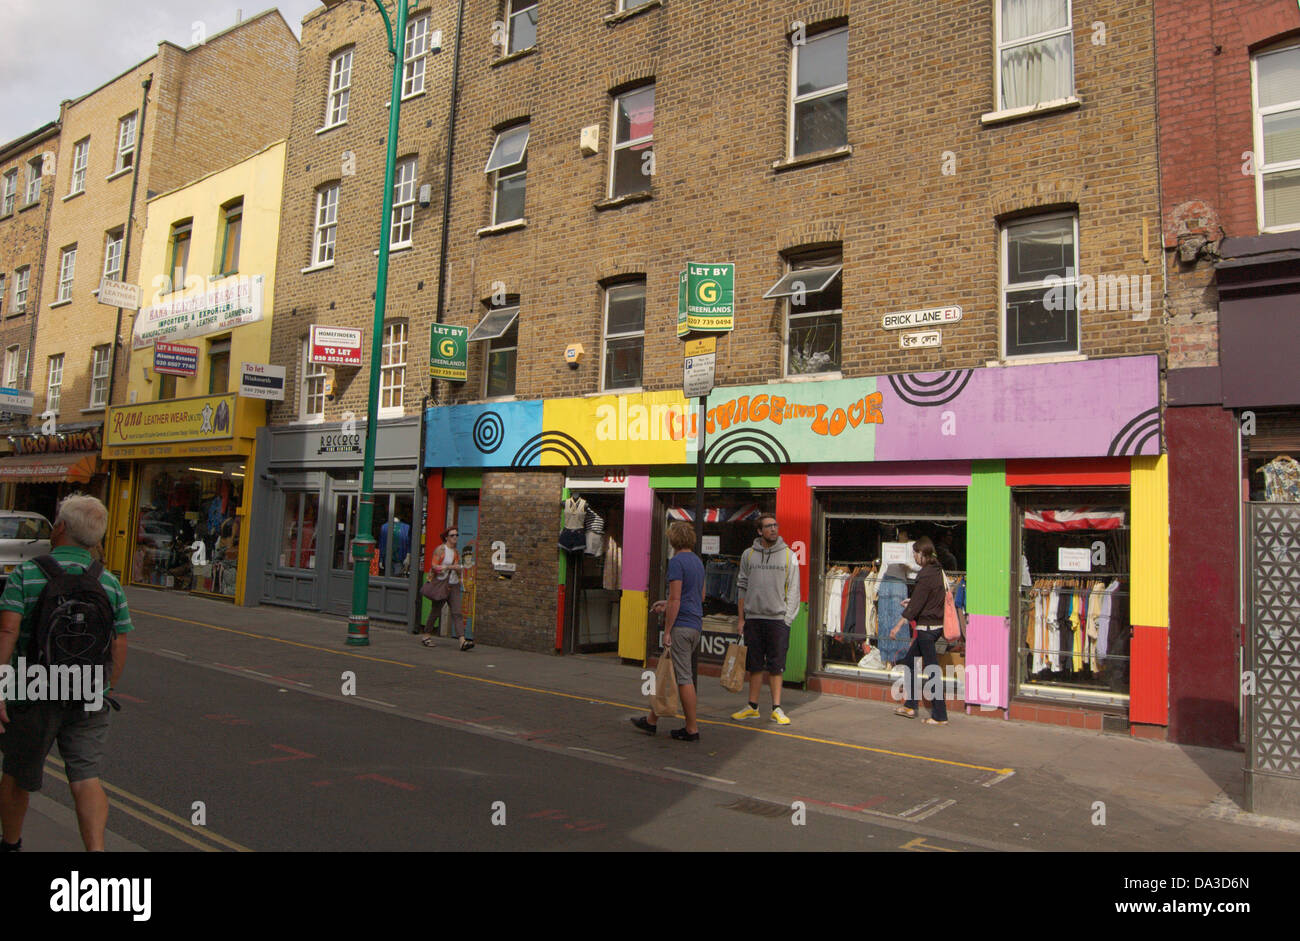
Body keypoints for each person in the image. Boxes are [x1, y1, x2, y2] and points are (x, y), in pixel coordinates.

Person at [0, 494, 132, 852]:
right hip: (87, 693)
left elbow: (8, 632)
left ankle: (11, 844)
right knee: (86, 777)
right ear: (97, 539)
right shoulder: (109, 582)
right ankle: (96, 852)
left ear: (59, 528)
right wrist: (103, 689)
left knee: (18, 777)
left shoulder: (27, 574)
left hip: (31, 691)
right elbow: (119, 642)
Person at [631, 522, 706, 741]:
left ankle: (692, 729)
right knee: (670, 672)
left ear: (672, 541)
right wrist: (667, 603)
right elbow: (698, 597)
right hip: (695, 625)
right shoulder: (697, 562)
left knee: (684, 678)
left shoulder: (677, 562)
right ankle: (651, 720)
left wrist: (667, 629)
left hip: (680, 626)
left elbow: (676, 598)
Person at [731, 514, 800, 725]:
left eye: (775, 525)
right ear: (759, 531)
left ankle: (777, 708)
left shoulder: (789, 556)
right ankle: (752, 706)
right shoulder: (748, 555)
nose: (773, 529)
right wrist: (741, 619)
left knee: (776, 666)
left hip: (777, 620)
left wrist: (787, 620)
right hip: (753, 619)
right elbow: (741, 586)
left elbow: (794, 590)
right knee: (754, 665)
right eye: (768, 526)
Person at [889, 536, 948, 725]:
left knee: (931, 670)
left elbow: (917, 605)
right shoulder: (938, 570)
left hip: (926, 629)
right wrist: (912, 602)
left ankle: (940, 715)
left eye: (915, 553)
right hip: (936, 626)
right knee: (909, 662)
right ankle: (910, 705)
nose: (914, 556)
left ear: (923, 554)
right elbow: (927, 599)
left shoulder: (925, 575)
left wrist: (898, 625)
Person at [421, 528, 472, 650]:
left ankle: (462, 641)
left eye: (457, 535)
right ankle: (426, 635)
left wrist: (459, 573)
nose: (455, 537)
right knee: (435, 611)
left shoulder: (455, 552)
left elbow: (456, 567)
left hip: (453, 585)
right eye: (452, 535)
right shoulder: (440, 550)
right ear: (446, 537)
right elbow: (434, 567)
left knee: (457, 613)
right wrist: (450, 567)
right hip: (441, 584)